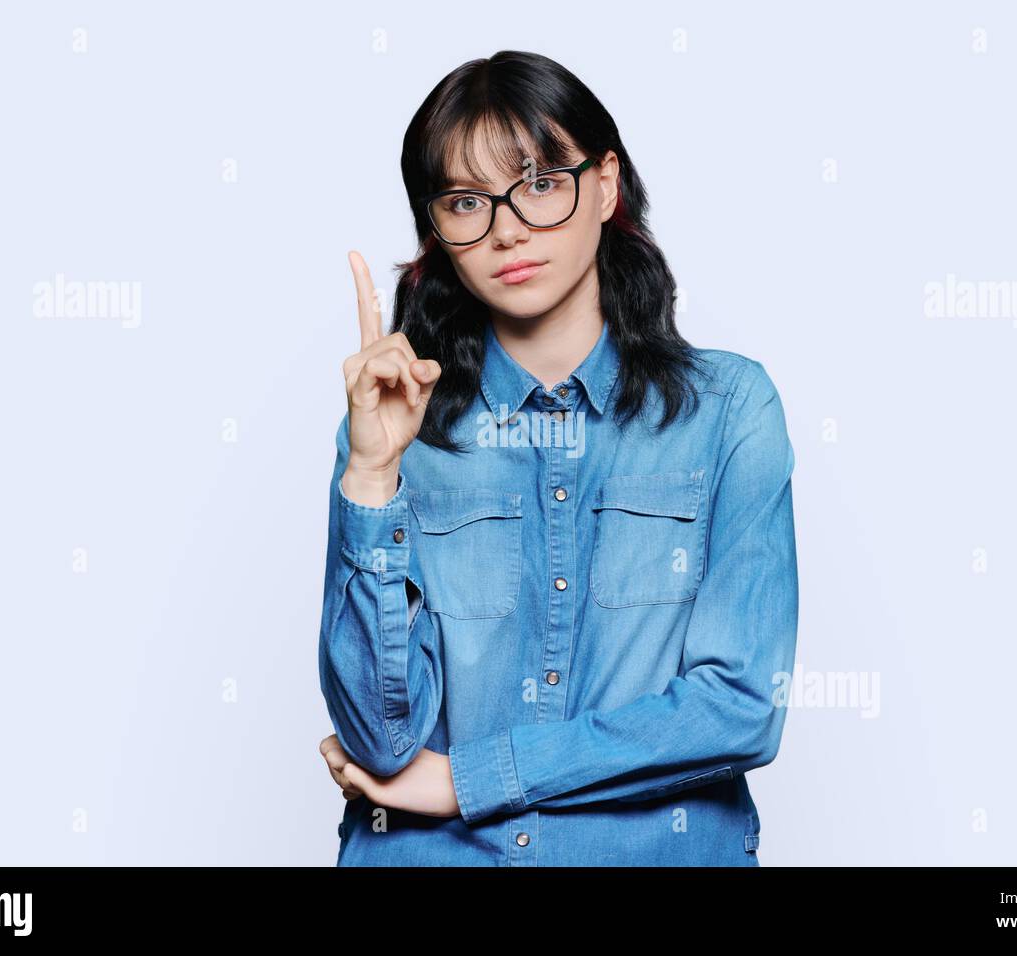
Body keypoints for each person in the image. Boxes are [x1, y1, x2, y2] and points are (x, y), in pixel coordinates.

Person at [317, 50, 798, 866]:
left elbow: (741, 707)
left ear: (605, 185)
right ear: (438, 231)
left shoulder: (729, 412)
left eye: (541, 183)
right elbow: (379, 742)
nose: (507, 229)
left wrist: (472, 778)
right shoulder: (397, 430)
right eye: (467, 202)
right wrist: (369, 478)